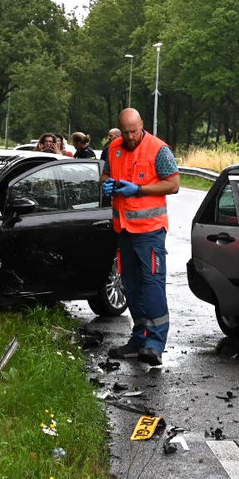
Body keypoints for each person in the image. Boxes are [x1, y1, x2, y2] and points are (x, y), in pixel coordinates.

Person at [103, 108, 179, 367]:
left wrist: (139, 190)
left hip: (150, 232)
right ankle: (138, 340)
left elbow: (173, 184)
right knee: (131, 286)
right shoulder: (113, 147)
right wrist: (106, 183)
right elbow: (106, 174)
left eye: (133, 131)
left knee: (152, 286)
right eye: (125, 132)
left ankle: (155, 345)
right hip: (123, 230)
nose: (130, 136)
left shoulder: (159, 149)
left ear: (142, 125)